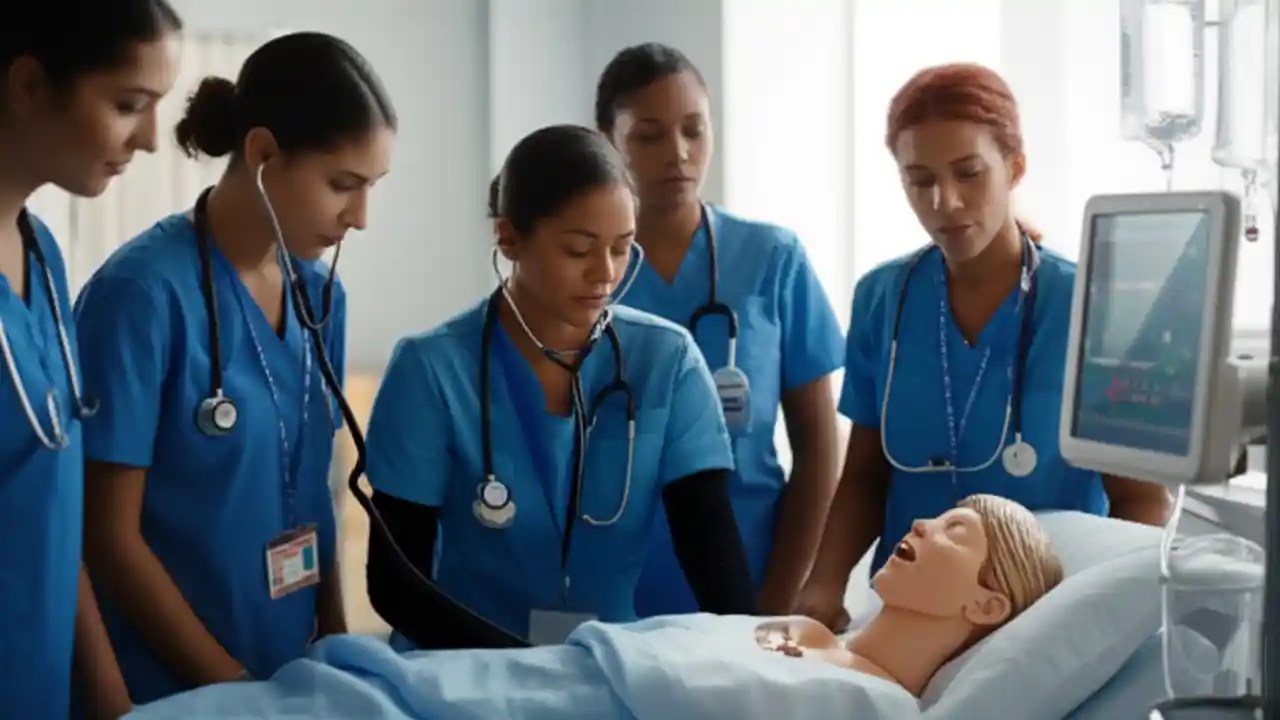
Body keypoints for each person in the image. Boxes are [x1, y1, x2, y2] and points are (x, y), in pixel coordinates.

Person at [73, 32, 395, 703]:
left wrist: (332, 658)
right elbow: (108, 538)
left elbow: (317, 497)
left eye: (372, 189)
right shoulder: (140, 297)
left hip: (288, 682)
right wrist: (238, 691)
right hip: (170, 691)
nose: (360, 218)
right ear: (263, 153)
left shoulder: (321, 299)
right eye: (342, 185)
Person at [794, 63, 1171, 632]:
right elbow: (866, 478)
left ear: (1015, 167)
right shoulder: (883, 299)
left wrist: (1102, 619)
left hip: (1041, 619)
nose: (944, 201)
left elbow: (1140, 500)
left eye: (968, 173)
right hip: (906, 614)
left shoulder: (1091, 306)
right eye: (919, 180)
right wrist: (821, 586)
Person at [363, 124, 756, 649]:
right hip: (457, 670)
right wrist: (526, 670)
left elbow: (714, 555)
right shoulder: (431, 370)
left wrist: (758, 664)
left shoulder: (667, 360)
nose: (605, 273)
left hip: (604, 666)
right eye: (578, 250)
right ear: (509, 237)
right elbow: (395, 584)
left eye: (622, 248)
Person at [594, 42, 845, 617]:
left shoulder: (770, 258)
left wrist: (779, 600)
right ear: (607, 139)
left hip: (749, 576)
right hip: (609, 590)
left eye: (694, 130)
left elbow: (818, 451)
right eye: (649, 135)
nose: (678, 154)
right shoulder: (586, 272)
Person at [0, 3, 181, 718]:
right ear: (31, 85)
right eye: (128, 104)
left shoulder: (41, 256)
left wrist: (108, 696)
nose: (152, 137)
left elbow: (51, 498)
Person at [757, 493, 1063, 696]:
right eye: (937, 519)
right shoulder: (812, 638)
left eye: (955, 532)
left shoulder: (867, 701)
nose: (919, 524)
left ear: (986, 606)